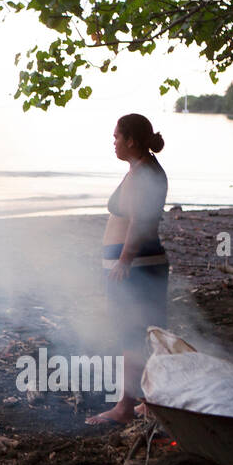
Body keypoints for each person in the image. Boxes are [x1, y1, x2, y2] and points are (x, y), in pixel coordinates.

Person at [86, 113, 169, 426]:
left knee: (132, 334)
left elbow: (139, 221)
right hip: (143, 264)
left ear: (131, 140)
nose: (114, 142)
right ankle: (150, 401)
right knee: (147, 332)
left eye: (117, 137)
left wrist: (124, 259)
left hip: (137, 265)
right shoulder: (142, 169)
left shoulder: (142, 173)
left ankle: (125, 407)